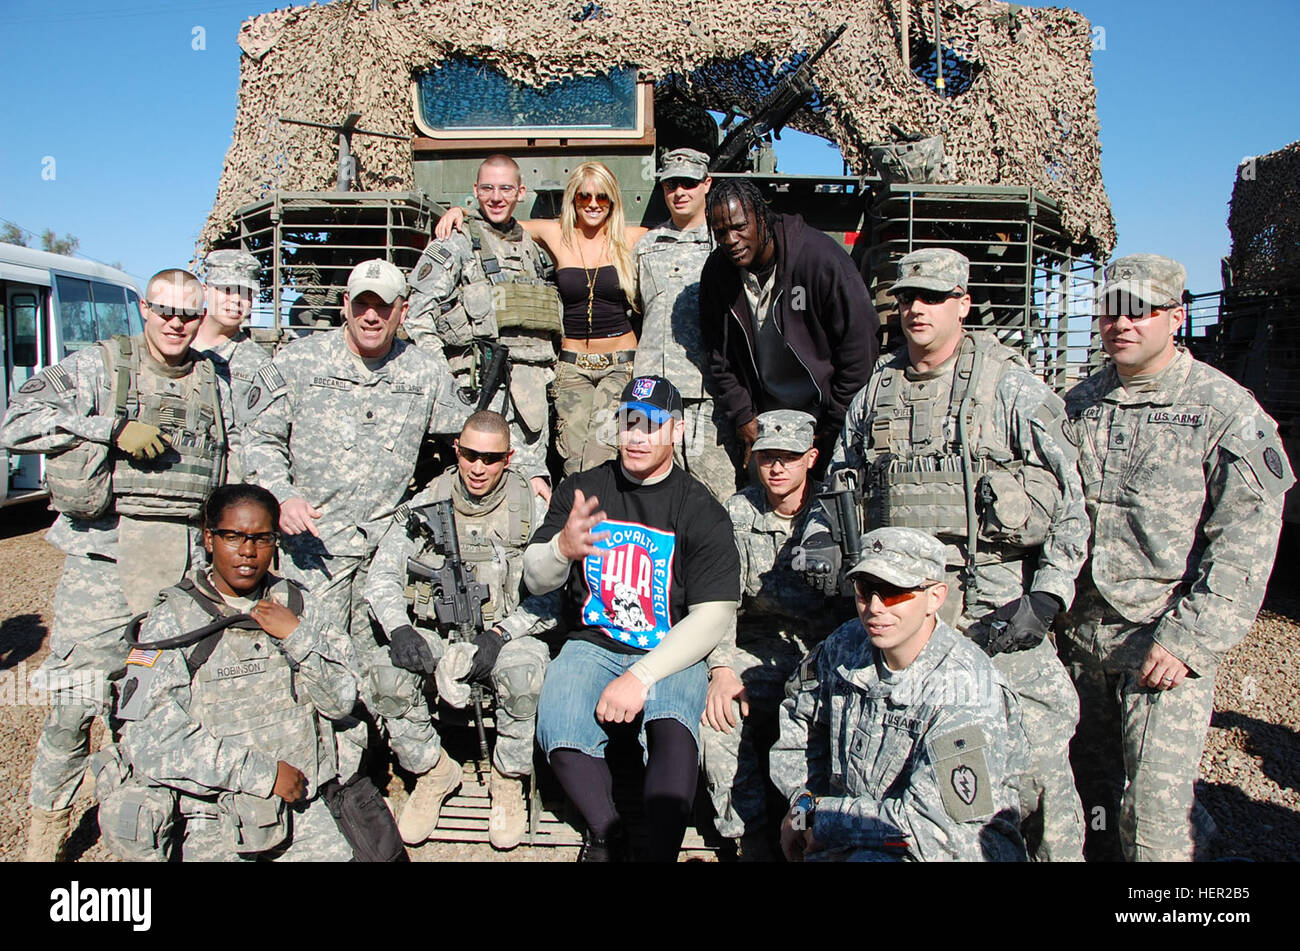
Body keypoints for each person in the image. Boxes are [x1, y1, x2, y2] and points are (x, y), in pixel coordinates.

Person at [802, 248, 1088, 861]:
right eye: (906, 297)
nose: (915, 309)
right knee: (886, 764)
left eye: (932, 297)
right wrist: (823, 538)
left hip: (993, 610)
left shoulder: (1009, 388)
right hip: (899, 610)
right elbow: (837, 484)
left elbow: (1071, 502)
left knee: (1032, 767)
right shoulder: (877, 390)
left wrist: (1048, 594)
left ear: (963, 303)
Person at [1061, 253, 1294, 862]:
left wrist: (1189, 640)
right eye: (1111, 310)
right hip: (1082, 640)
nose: (1123, 323)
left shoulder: (1223, 410)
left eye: (1141, 310)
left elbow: (1244, 542)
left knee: (1154, 820)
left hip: (1162, 644)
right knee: (1092, 801)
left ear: (1176, 317)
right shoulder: (1078, 404)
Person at [2, 268, 231, 861]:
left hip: (182, 569)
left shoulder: (217, 379)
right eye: (165, 311)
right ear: (146, 311)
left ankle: (143, 824)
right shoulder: (100, 366)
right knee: (75, 705)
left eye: (188, 313)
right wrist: (109, 429)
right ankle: (44, 833)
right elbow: (15, 423)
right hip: (104, 563)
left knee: (158, 701)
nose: (176, 324)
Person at [242, 258, 471, 780]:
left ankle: (410, 769)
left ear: (402, 311)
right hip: (314, 553)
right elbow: (258, 439)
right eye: (362, 304)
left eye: (384, 306)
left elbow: (475, 428)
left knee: (381, 669)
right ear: (345, 306)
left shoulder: (422, 370)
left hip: (382, 552)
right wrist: (281, 496)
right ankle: (328, 777)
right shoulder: (298, 362)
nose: (372, 316)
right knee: (315, 666)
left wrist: (528, 472)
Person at [524, 375, 740, 861]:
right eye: (628, 423)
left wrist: (642, 676)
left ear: (677, 430)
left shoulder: (700, 508)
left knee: (674, 730)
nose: (637, 436)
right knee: (559, 725)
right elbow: (536, 579)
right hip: (594, 643)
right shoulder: (584, 490)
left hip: (670, 647)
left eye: (651, 425)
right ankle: (605, 832)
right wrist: (561, 548)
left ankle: (660, 853)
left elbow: (712, 615)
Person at [104, 484, 362, 861]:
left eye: (261, 538)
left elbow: (342, 703)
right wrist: (261, 774)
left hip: (304, 810)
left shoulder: (301, 605)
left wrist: (298, 636)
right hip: (211, 818)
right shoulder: (171, 619)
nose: (247, 551)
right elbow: (146, 738)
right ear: (209, 539)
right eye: (233, 537)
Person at [771, 527, 1030, 862]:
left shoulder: (965, 689)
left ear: (935, 597)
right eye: (865, 590)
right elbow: (800, 719)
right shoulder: (846, 646)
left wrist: (823, 818)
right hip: (854, 839)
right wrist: (803, 803)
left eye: (893, 592)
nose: (875, 607)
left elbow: (936, 832)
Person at [364, 410, 556, 850]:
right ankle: (433, 773)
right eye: (469, 455)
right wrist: (398, 628)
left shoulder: (532, 507)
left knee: (523, 678)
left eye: (490, 458)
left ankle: (508, 779)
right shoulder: (428, 499)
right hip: (437, 631)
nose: (478, 467)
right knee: (386, 676)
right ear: (457, 451)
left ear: (507, 459)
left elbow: (555, 595)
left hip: (505, 634)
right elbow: (382, 575)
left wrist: (502, 634)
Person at [438, 161, 649, 474]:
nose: (593, 204)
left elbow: (678, 231)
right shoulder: (555, 234)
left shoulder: (631, 238)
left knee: (602, 453)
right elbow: (501, 217)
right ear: (573, 200)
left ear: (613, 201)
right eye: (584, 197)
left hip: (620, 364)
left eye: (602, 197)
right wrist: (461, 211)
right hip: (572, 366)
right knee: (574, 460)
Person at [700, 410, 845, 859]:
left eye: (789, 456)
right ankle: (749, 835)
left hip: (826, 650)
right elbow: (720, 598)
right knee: (718, 721)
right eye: (767, 457)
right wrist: (721, 667)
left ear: (812, 458)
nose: (777, 467)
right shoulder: (739, 511)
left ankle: (818, 829)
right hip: (756, 647)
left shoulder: (838, 515)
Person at [407, 155, 561, 501]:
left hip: (531, 394)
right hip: (478, 392)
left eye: (506, 188)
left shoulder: (534, 251)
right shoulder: (455, 243)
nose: (496, 197)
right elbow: (417, 314)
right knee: (475, 489)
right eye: (488, 188)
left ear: (520, 192)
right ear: (475, 190)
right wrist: (444, 379)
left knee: (531, 489)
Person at [699, 178, 879, 466]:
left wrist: (832, 422)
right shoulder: (718, 273)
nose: (731, 240)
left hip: (825, 419)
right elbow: (717, 355)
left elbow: (860, 346)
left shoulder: (819, 259)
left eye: (740, 226)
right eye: (721, 232)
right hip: (767, 424)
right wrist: (744, 415)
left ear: (762, 217)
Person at [633, 148, 736, 502]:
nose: (680, 192)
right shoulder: (646, 246)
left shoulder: (724, 245)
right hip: (654, 395)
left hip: (707, 395)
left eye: (689, 183)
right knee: (656, 492)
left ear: (707, 184)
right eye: (671, 184)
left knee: (717, 492)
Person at [194, 248, 270, 480]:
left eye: (245, 293)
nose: (236, 300)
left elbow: (263, 435)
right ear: (206, 291)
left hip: (228, 483)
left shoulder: (260, 363)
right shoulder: (177, 343)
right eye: (227, 290)